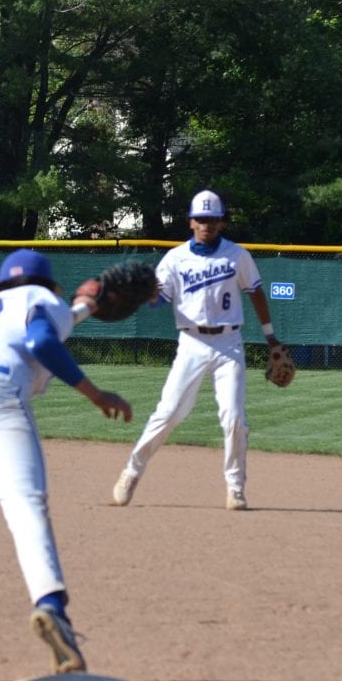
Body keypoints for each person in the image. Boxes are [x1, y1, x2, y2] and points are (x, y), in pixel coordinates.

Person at [0, 249, 133, 677]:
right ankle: (52, 607)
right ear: (49, 284)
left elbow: (55, 320)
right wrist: (95, 393)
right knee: (24, 505)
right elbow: (42, 339)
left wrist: (88, 303)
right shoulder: (43, 300)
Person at [111, 189, 280, 511]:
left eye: (213, 220)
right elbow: (160, 299)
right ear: (191, 222)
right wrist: (145, 295)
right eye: (201, 219)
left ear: (221, 223)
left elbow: (255, 292)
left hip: (229, 343)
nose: (207, 225)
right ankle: (131, 472)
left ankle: (235, 487)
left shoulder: (237, 255)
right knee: (170, 413)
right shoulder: (175, 258)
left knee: (234, 417)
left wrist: (270, 336)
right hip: (192, 343)